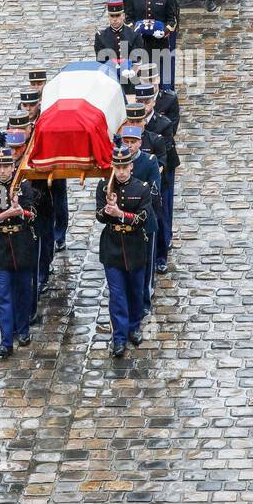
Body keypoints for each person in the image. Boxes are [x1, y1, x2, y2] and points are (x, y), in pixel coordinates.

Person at [0, 146, 39, 357]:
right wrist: (3, 216)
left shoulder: (25, 187)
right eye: (0, 166)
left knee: (23, 290)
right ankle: (5, 340)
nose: (3, 171)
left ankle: (22, 330)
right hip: (0, 247)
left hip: (21, 244)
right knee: (3, 294)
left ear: (13, 167)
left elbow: (34, 215)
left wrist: (21, 211)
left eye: (7, 166)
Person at [95, 144, 152, 357]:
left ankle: (134, 327)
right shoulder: (104, 187)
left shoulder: (142, 188)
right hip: (113, 247)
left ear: (131, 167)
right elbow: (100, 217)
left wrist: (120, 213)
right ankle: (118, 337)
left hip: (135, 246)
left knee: (136, 291)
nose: (120, 171)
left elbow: (141, 218)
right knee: (117, 295)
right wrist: (108, 211)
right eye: (117, 167)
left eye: (124, 167)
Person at [118, 122, 161, 318]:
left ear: (140, 142)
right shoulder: (117, 162)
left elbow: (154, 191)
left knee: (146, 263)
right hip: (123, 221)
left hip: (144, 221)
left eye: (133, 142)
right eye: (126, 142)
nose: (130, 146)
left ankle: (145, 299)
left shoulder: (149, 161)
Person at [138, 83, 180, 275]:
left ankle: (161, 257)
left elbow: (163, 155)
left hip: (158, 176)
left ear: (153, 102)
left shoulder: (162, 124)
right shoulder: (130, 123)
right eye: (140, 101)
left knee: (160, 216)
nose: (144, 105)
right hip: (137, 176)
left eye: (147, 102)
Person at [27, 69, 69, 253]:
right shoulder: (23, 112)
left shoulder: (52, 104)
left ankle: (60, 234)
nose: (37, 88)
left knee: (59, 200)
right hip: (34, 166)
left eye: (39, 84)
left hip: (54, 159)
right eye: (34, 84)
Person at [127, 0, 179, 87]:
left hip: (160, 44)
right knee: (143, 81)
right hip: (141, 44)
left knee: (163, 78)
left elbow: (172, 20)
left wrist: (164, 32)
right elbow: (128, 19)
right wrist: (135, 29)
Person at [94, 0, 145, 69]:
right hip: (110, 72)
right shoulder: (100, 36)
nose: (115, 19)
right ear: (108, 17)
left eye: (118, 15)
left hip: (130, 71)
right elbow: (101, 60)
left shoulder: (134, 33)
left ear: (123, 16)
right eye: (112, 16)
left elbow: (137, 58)